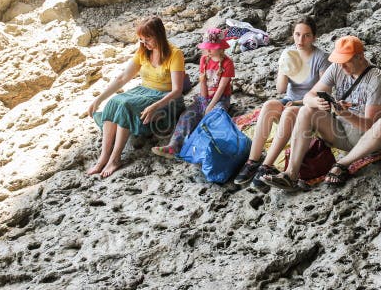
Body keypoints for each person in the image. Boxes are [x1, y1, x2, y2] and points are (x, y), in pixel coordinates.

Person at [262, 35, 381, 190]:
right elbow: (308, 97)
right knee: (306, 110)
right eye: (340, 62)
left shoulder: (376, 80)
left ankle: (342, 164)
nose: (342, 67)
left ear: (360, 57)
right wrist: (316, 102)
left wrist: (345, 114)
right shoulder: (338, 67)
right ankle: (291, 174)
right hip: (342, 133)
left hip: (370, 142)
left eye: (346, 62)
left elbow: (369, 126)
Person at [233, 17, 329, 188]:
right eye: (297, 34)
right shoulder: (289, 53)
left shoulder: (321, 58)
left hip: (311, 106)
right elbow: (280, 89)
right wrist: (283, 67)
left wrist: (299, 102)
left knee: (287, 112)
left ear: (314, 37)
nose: (300, 40)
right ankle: (252, 161)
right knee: (270, 105)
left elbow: (324, 94)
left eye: (306, 36)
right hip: (290, 100)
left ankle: (266, 166)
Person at [86, 15, 186, 177]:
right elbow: (122, 78)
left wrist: (155, 106)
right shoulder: (143, 52)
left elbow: (177, 90)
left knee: (126, 105)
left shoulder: (175, 54)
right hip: (143, 91)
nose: (144, 43)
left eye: (148, 39)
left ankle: (115, 158)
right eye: (141, 39)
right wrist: (99, 99)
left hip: (166, 99)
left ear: (159, 36)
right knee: (114, 101)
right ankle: (103, 157)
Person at [152, 27, 235, 158]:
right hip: (204, 96)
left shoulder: (227, 63)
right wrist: (203, 103)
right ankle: (173, 146)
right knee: (186, 116)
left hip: (220, 98)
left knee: (213, 118)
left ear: (220, 47)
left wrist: (210, 106)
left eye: (211, 47)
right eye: (206, 47)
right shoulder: (204, 59)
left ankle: (198, 149)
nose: (208, 50)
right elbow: (203, 83)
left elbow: (221, 89)